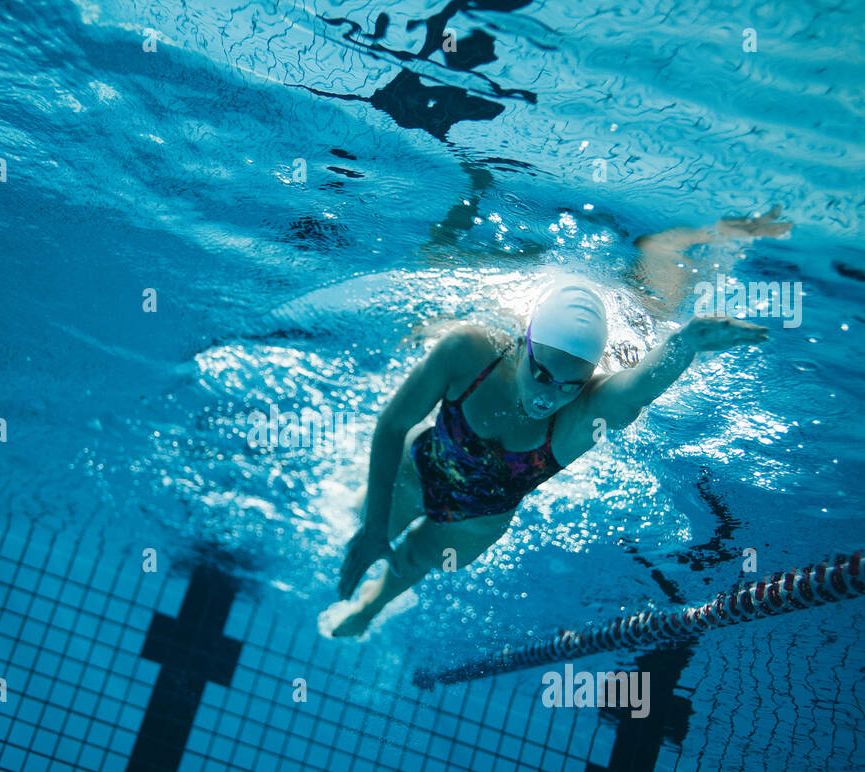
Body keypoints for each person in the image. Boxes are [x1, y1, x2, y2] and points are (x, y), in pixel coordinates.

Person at [323, 207, 792, 638]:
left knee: (411, 563)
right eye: (542, 374)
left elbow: (638, 387)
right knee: (366, 517)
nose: (549, 397)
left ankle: (367, 612)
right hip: (414, 471)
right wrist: (373, 528)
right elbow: (391, 424)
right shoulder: (470, 351)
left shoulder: (583, 412)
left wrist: (686, 345)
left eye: (569, 385)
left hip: (472, 524)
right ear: (523, 345)